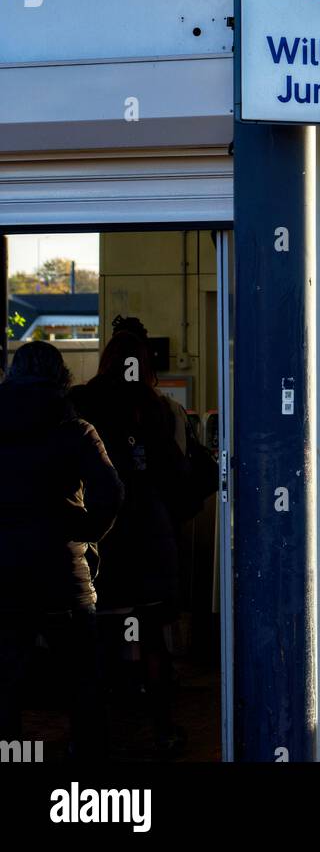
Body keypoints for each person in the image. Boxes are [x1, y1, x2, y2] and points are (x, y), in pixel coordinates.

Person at [0, 339, 124, 757]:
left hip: (3, 577)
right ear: (61, 378)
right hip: (62, 573)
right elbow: (111, 492)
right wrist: (86, 531)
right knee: (83, 680)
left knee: (6, 683)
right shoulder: (75, 430)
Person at [74, 316, 190, 756]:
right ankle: (162, 729)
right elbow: (177, 473)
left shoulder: (83, 402)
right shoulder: (157, 407)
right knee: (151, 636)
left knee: (102, 639)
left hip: (105, 539)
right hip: (152, 538)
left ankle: (95, 736)